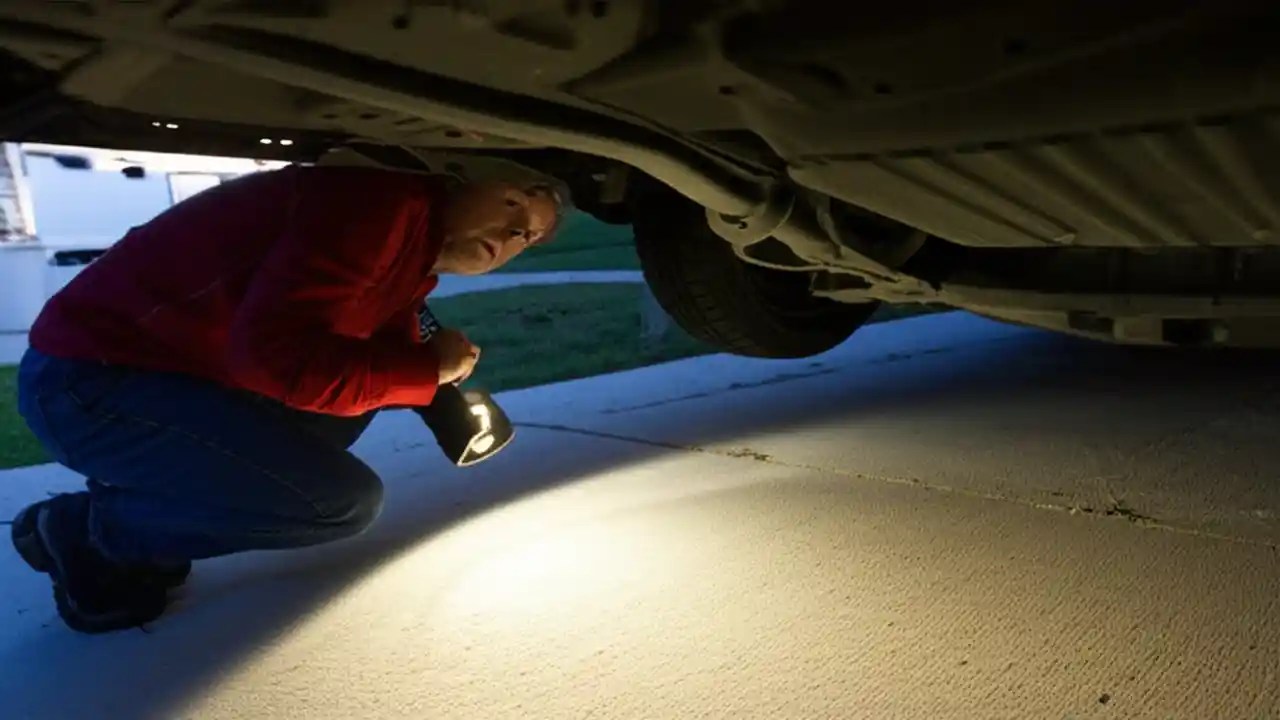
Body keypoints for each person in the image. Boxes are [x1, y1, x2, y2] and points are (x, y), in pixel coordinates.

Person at [9, 162, 562, 633]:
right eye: (512, 202)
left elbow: (377, 351)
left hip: (157, 382)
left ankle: (153, 502)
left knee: (337, 419)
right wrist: (424, 371)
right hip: (86, 386)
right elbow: (276, 361)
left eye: (530, 236)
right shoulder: (377, 205)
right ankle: (87, 532)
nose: (514, 233)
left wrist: (435, 388)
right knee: (335, 502)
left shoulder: (407, 249)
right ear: (458, 176)